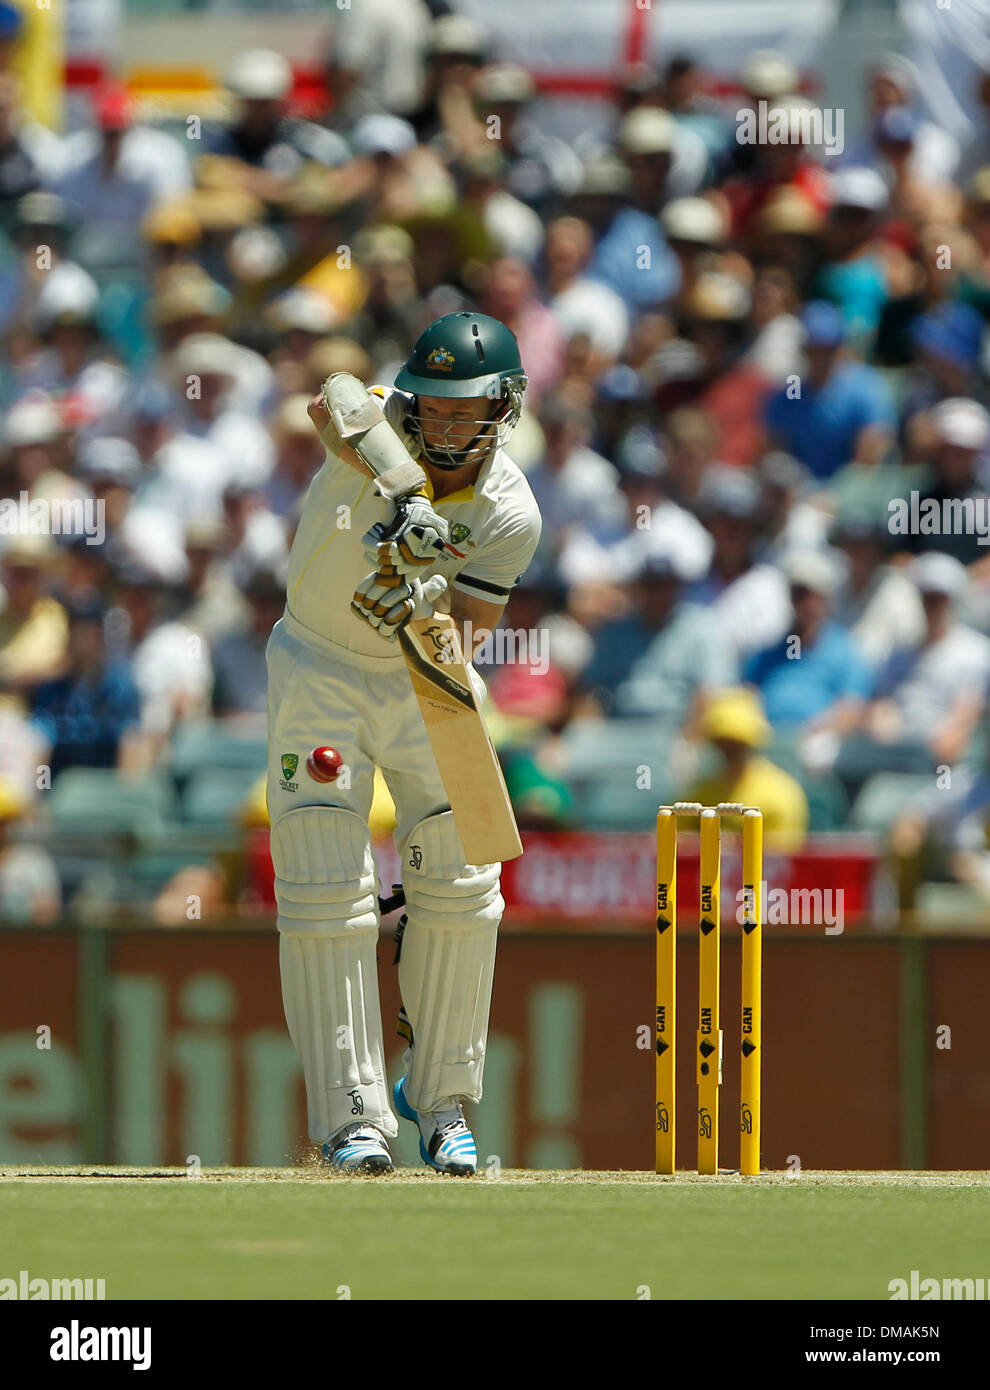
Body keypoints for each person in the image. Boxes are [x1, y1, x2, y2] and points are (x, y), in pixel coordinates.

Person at [267, 311, 541, 1175]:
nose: (447, 424)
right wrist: (409, 496)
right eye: (436, 405)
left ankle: (442, 1102)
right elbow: (333, 397)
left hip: (427, 673)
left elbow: (469, 632)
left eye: (468, 409)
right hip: (318, 669)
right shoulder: (379, 421)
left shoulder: (511, 511)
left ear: (504, 407)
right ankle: (351, 1118)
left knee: (465, 879)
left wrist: (420, 599)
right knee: (327, 881)